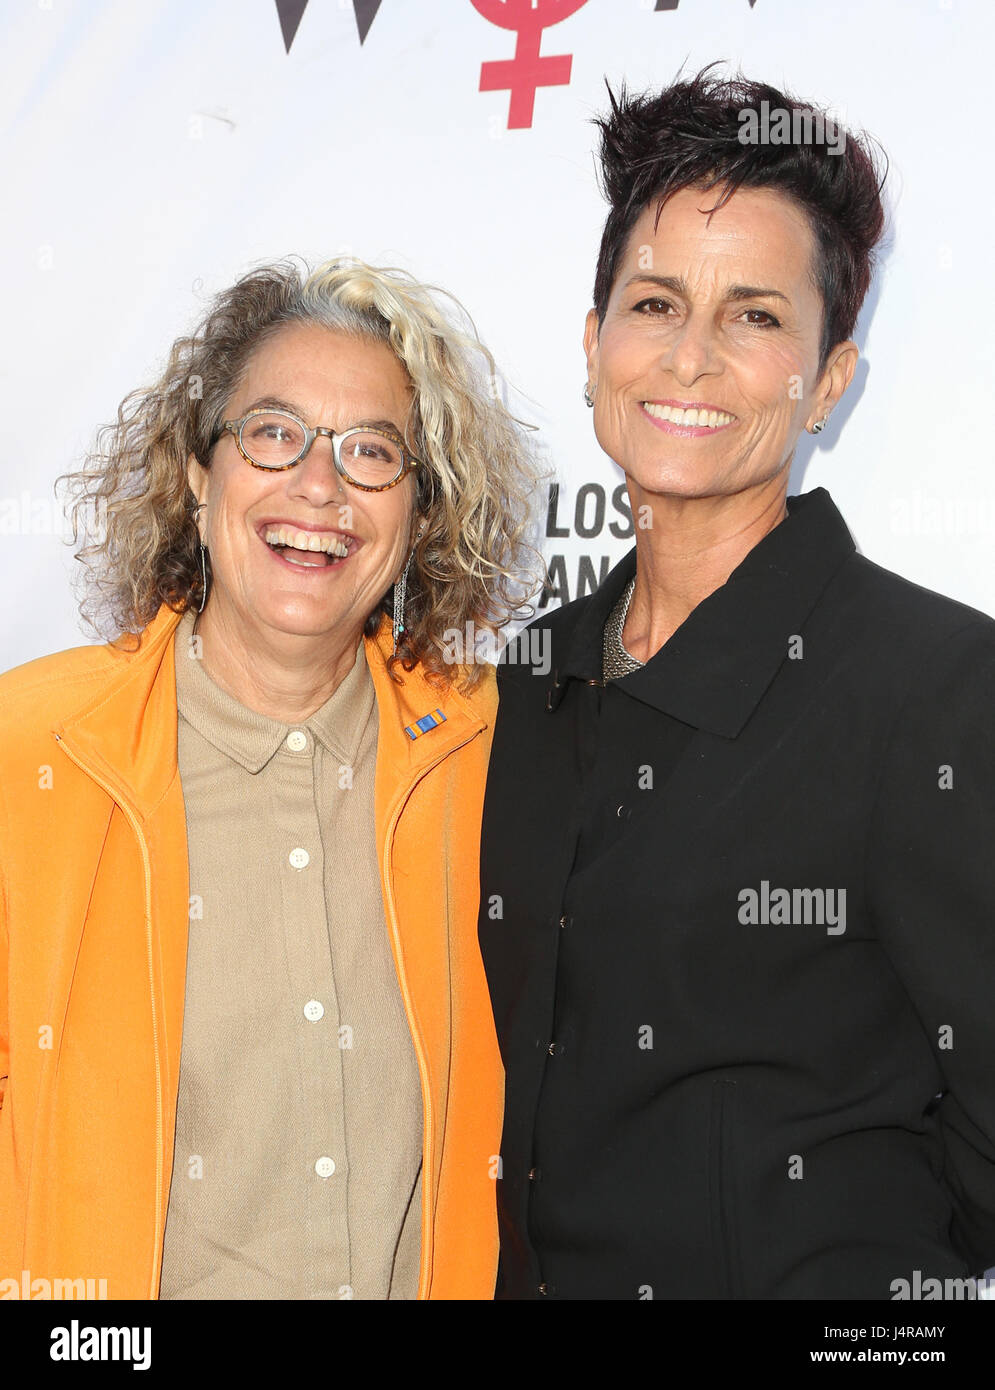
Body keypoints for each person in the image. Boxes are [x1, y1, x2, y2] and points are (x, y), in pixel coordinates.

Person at [478, 67, 995, 1300]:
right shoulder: (533, 679)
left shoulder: (934, 687)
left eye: (755, 316)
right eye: (653, 302)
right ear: (593, 344)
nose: (691, 357)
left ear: (826, 381)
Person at [0, 256, 538, 1300]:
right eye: (275, 434)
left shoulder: (494, 754)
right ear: (200, 476)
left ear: (419, 516)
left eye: (372, 451)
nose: (320, 486)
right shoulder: (29, 751)